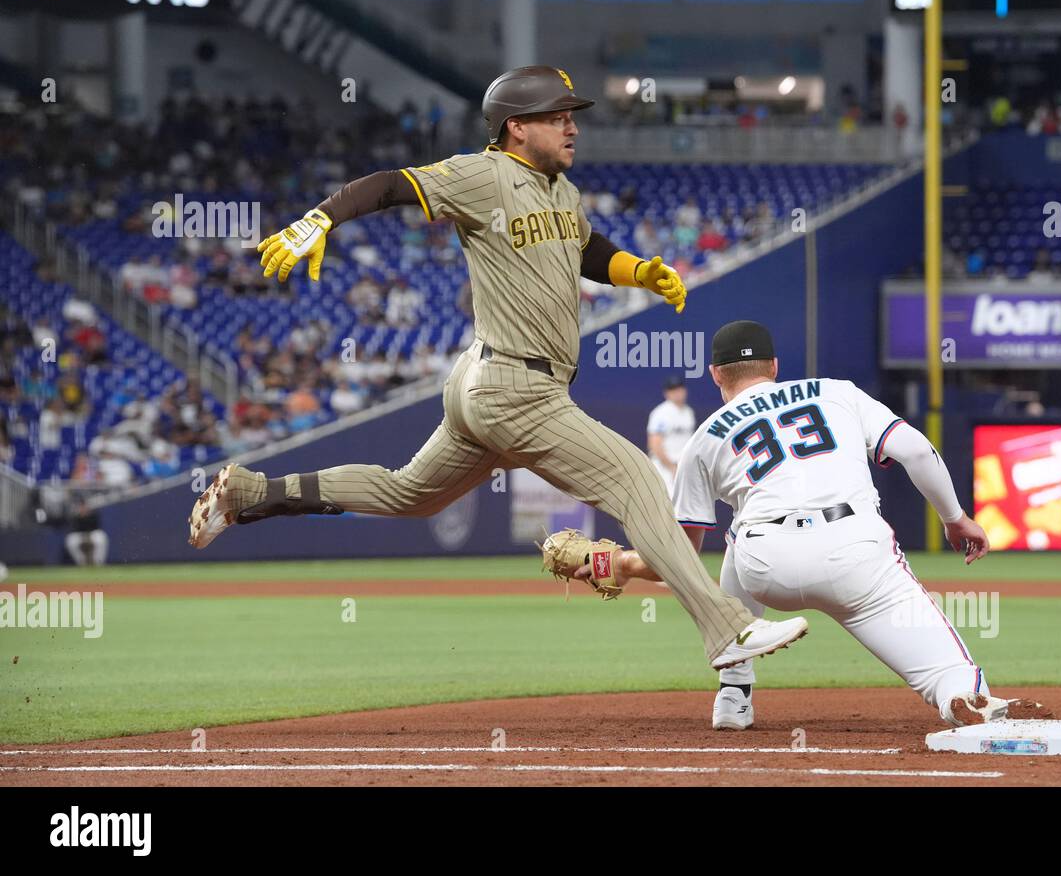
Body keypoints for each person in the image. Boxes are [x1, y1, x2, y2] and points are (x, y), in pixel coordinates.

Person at [187, 66, 807, 672]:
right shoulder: (483, 175)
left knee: (408, 493)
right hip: (517, 385)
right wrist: (321, 217)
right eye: (557, 117)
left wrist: (635, 271)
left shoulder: (563, 190)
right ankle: (726, 629)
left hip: (487, 385)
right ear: (515, 127)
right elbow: (389, 184)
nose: (572, 127)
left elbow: (585, 248)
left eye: (572, 116)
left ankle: (250, 495)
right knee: (637, 481)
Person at [576, 320, 1050, 730]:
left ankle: (733, 692)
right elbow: (917, 451)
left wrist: (622, 563)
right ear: (775, 367)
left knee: (740, 532)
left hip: (767, 566)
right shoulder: (836, 391)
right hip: (856, 555)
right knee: (948, 674)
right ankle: (957, 694)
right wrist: (955, 519)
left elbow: (678, 559)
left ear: (716, 374)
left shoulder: (705, 437)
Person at [646, 376, 695, 489]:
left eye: (679, 389)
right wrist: (671, 467)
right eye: (673, 390)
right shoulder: (661, 413)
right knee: (666, 503)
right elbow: (655, 445)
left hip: (682, 466)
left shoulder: (688, 412)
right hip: (664, 468)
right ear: (667, 393)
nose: (677, 393)